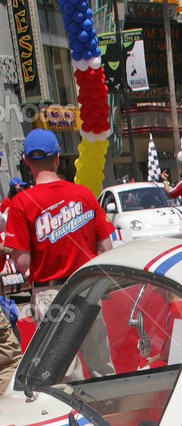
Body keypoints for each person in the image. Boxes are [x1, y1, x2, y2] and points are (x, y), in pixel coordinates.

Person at [5, 128, 114, 356]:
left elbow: (22, 262)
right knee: (100, 366)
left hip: (50, 293)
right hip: (86, 287)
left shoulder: (21, 202)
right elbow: (106, 248)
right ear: (57, 158)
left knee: (61, 369)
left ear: (26, 161)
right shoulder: (84, 194)